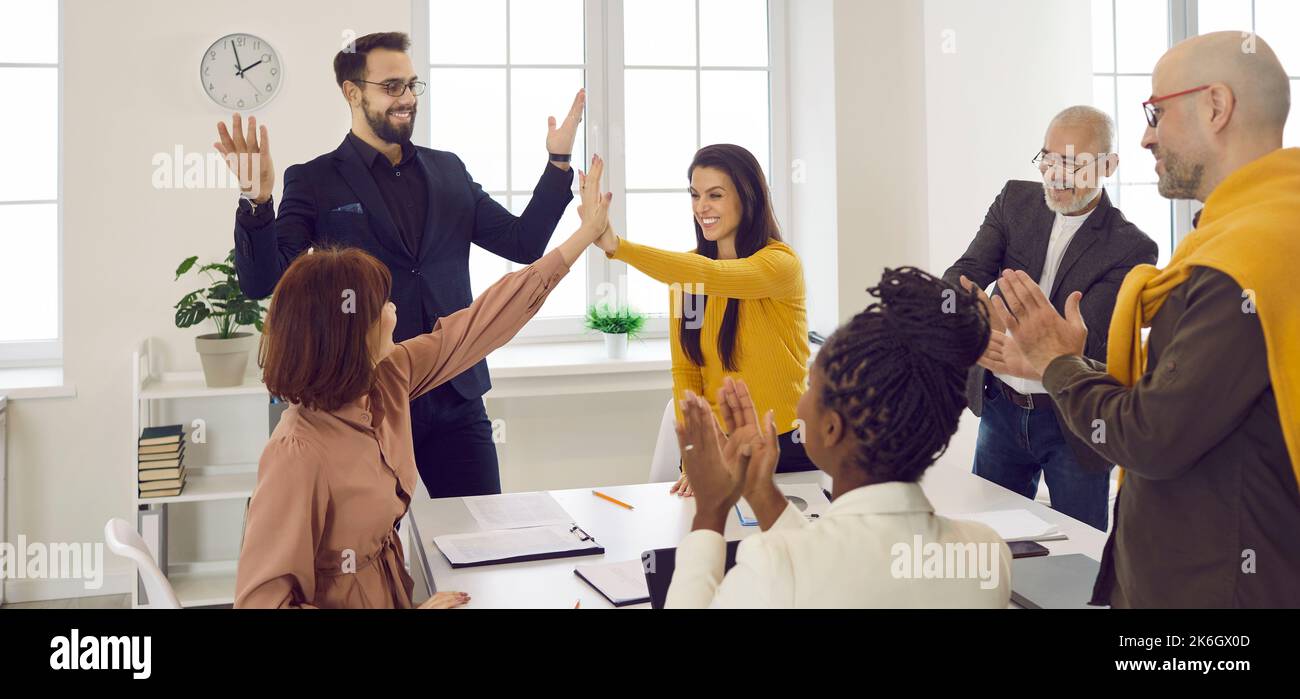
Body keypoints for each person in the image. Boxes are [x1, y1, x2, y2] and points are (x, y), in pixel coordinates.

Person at [982, 32, 1300, 607]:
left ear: (1216, 106)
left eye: (1156, 111)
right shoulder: (1260, 229)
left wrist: (1057, 359)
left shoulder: (1243, 260)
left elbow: (1149, 435)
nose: (1148, 135)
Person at [215, 31, 586, 498]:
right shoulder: (313, 180)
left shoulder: (449, 169)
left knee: (480, 536)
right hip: (366, 400)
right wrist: (258, 199)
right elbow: (262, 281)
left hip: (457, 395)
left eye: (412, 85)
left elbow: (523, 242)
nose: (407, 98)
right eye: (391, 87)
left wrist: (557, 163)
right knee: (370, 547)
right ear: (352, 93)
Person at [234, 158, 612, 609]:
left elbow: (481, 322)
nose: (394, 311)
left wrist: (585, 235)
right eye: (382, 304)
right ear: (347, 331)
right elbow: (261, 604)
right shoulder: (296, 454)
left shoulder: (388, 377)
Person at [665, 268, 1011, 608]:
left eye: (811, 386)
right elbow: (836, 561)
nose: (799, 404)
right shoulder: (986, 554)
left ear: (832, 429)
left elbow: (810, 566)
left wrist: (710, 512)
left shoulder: (772, 564)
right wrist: (760, 490)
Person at [942, 106, 1158, 531]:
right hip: (1001, 407)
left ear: (1108, 166)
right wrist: (977, 316)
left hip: (1074, 423)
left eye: (1073, 164)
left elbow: (1081, 344)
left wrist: (1001, 321)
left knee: (1080, 553)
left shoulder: (1131, 247)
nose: (1055, 175)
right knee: (989, 540)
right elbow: (959, 279)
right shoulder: (1013, 201)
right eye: (1048, 158)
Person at [591, 144, 811, 496]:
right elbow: (687, 372)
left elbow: (715, 275)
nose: (701, 207)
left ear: (748, 197)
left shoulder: (779, 265)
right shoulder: (689, 281)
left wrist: (618, 246)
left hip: (785, 447)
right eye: (695, 195)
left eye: (715, 195)